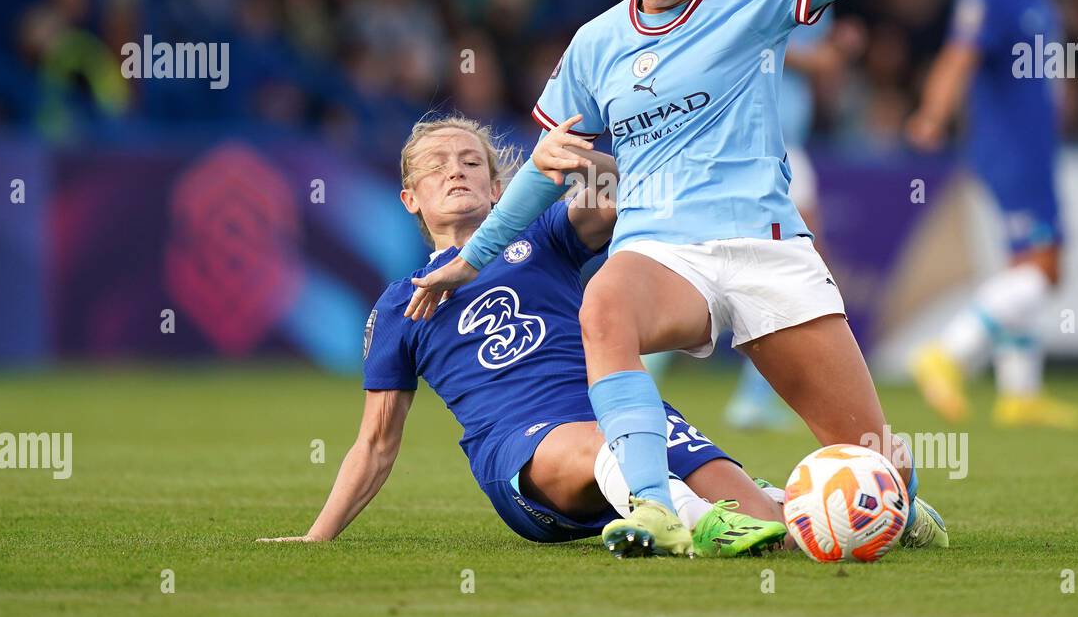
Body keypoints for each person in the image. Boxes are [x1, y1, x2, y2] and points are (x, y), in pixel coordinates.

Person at [406, 0, 1013, 556]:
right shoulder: (596, 45)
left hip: (766, 247)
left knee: (883, 465)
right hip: (661, 248)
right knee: (604, 307)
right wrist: (472, 259)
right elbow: (546, 166)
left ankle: (896, 506)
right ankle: (654, 509)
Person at [259, 115, 790, 556]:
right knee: (606, 442)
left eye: (471, 163)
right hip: (523, 456)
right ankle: (690, 522)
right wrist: (316, 537)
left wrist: (578, 158)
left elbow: (635, 191)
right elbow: (375, 444)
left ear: (497, 189)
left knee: (773, 523)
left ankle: (796, 505)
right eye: (436, 168)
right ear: (409, 199)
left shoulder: (542, 238)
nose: (455, 173)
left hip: (630, 414)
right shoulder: (402, 304)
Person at [905, 0, 1078, 430]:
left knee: (1025, 266)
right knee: (1043, 268)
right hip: (1005, 148)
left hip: (1035, 147)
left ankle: (1020, 394)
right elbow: (959, 55)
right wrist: (933, 114)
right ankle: (947, 353)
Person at [724, 0, 855, 431]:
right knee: (802, 269)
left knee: (760, 268)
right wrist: (830, 55)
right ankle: (755, 397)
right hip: (766, 143)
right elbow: (753, 36)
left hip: (774, 140)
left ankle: (640, 371)